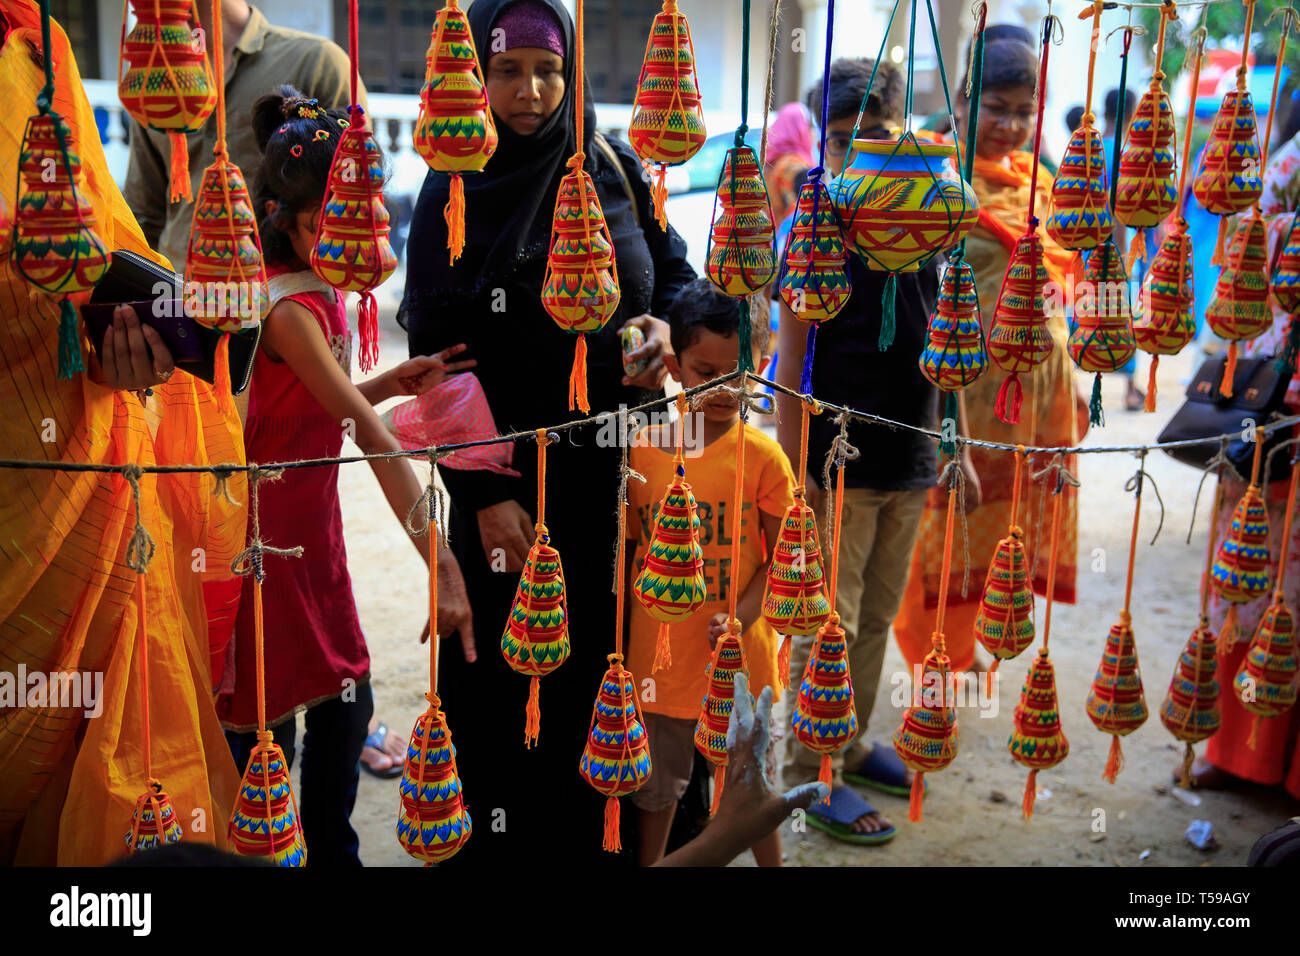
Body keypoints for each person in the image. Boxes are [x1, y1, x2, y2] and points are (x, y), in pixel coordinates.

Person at [396, 0, 696, 865]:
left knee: (599, 670)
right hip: (509, 494)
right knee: (500, 684)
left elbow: (670, 273)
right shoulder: (452, 189)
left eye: (548, 70)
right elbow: (437, 362)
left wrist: (660, 329)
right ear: (476, 78)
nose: (528, 92)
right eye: (506, 71)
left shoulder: (613, 166)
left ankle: (584, 849)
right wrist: (487, 497)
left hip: (615, 485)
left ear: (571, 76)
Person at [0, 0, 245, 865]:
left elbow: (92, 236)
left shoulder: (37, 46)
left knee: (83, 745)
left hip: (76, 474)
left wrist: (106, 348)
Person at [214, 87, 475, 867]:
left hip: (310, 529)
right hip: (263, 543)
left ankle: (328, 848)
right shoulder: (288, 312)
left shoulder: (314, 294)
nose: (354, 239)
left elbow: (302, 414)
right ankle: (297, 852)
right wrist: (442, 563)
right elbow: (366, 440)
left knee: (338, 699)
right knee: (279, 715)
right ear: (281, 221)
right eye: (330, 223)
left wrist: (389, 384)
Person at [774, 57, 940, 846]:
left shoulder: (930, 215)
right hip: (837, 459)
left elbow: (953, 338)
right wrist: (794, 464)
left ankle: (854, 736)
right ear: (823, 147)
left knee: (877, 611)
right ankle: (815, 767)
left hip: (911, 449)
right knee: (827, 619)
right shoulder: (813, 221)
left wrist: (954, 443)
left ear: (900, 133)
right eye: (843, 140)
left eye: (877, 134)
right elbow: (789, 357)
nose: (861, 155)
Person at [894, 30, 1086, 677]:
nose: (1010, 125)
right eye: (996, 107)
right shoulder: (937, 183)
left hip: (1038, 398)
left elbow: (1065, 282)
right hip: (966, 399)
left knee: (1007, 526)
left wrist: (1077, 380)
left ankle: (972, 643)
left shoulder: (1044, 182)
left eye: (1023, 111)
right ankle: (933, 656)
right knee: (951, 522)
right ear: (966, 102)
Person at [625, 281, 792, 866]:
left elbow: (783, 563)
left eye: (742, 374)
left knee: (750, 783)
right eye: (707, 372)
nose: (726, 389)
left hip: (741, 655)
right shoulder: (642, 450)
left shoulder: (766, 458)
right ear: (674, 365)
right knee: (659, 782)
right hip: (661, 659)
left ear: (763, 366)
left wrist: (740, 617)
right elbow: (628, 554)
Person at [1178, 121, 1300, 799]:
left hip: (1271, 398)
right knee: (1252, 580)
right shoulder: (1283, 165)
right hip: (1274, 403)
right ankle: (1240, 754)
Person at [124, 0, 361, 272]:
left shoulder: (315, 62)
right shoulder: (153, 83)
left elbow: (355, 211)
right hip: (174, 295)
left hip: (275, 301)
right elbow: (143, 217)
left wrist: (311, 309)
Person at [765, 102, 814, 228]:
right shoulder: (795, 167)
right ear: (800, 129)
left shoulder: (769, 164)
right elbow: (805, 215)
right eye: (809, 126)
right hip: (788, 243)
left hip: (768, 241)